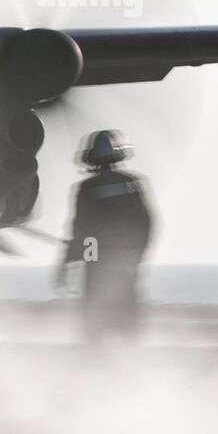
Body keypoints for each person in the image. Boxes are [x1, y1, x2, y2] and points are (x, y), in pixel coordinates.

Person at [55, 129, 154, 342]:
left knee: (94, 324)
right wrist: (137, 256)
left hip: (98, 265)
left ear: (91, 158)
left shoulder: (86, 188)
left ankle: (96, 363)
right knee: (129, 324)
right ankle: (132, 361)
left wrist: (72, 261)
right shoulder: (134, 184)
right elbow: (147, 223)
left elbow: (82, 230)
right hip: (127, 263)